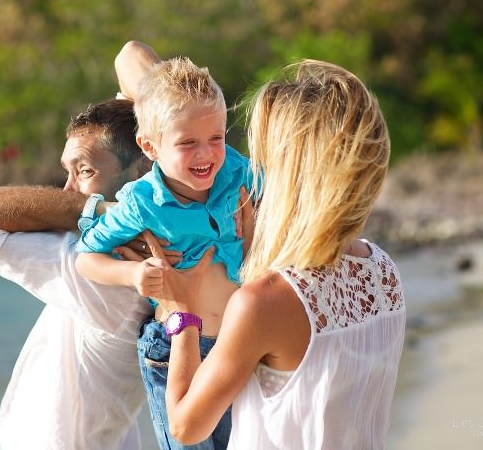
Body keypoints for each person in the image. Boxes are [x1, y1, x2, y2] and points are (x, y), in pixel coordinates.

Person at [150, 59, 406, 449]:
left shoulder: (262, 303)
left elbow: (186, 426)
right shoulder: (382, 272)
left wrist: (180, 311)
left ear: (288, 172)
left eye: (262, 162)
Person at [0, 98, 158, 450]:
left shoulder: (96, 271)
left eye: (84, 171)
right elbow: (130, 56)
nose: (67, 189)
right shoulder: (169, 254)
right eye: (67, 172)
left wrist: (96, 210)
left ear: (140, 173)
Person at [75, 55, 253, 450]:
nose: (205, 154)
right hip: (173, 348)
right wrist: (133, 275)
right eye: (187, 143)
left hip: (239, 342)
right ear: (150, 147)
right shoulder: (142, 202)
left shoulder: (236, 172)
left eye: (216, 138)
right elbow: (86, 257)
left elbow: (282, 196)